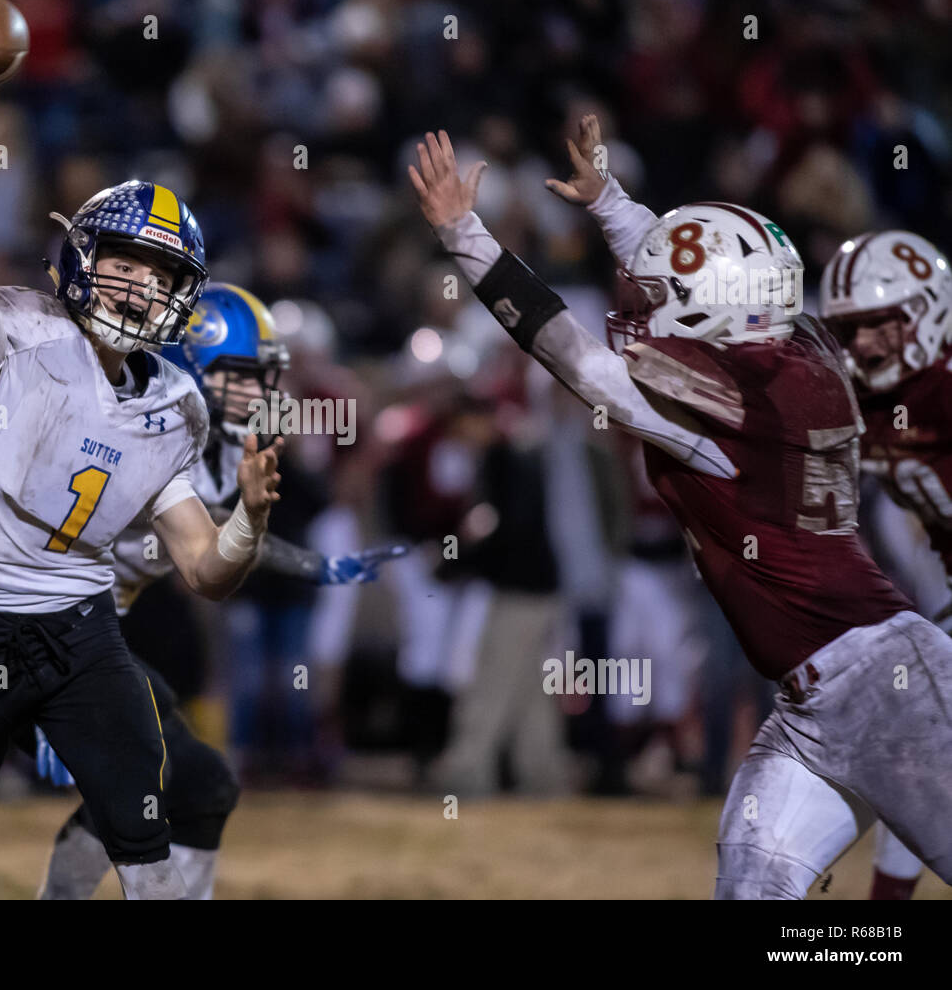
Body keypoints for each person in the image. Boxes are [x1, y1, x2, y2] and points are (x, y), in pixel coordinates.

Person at [408, 120, 952, 899]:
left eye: (660, 297)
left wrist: (466, 236)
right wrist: (612, 205)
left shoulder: (725, 407)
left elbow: (575, 359)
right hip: (812, 701)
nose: (644, 306)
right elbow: (706, 279)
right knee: (752, 889)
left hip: (880, 682)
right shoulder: (799, 351)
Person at [0, 119, 284, 900]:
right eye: (124, 263)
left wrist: (248, 515)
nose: (138, 286)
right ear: (82, 259)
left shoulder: (178, 403)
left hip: (82, 630)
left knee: (145, 825)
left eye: (159, 274)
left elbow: (208, 570)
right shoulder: (17, 333)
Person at [33, 283, 404, 899]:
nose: (259, 393)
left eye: (263, 376)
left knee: (202, 789)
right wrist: (49, 698)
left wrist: (316, 565)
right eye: (240, 375)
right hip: (41, 632)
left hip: (97, 637)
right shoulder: (138, 435)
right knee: (139, 783)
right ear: (192, 368)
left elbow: (220, 542)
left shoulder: (215, 447)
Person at [820, 230, 952, 899]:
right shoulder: (866, 397)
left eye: (880, 324)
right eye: (851, 328)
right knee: (918, 746)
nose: (864, 344)